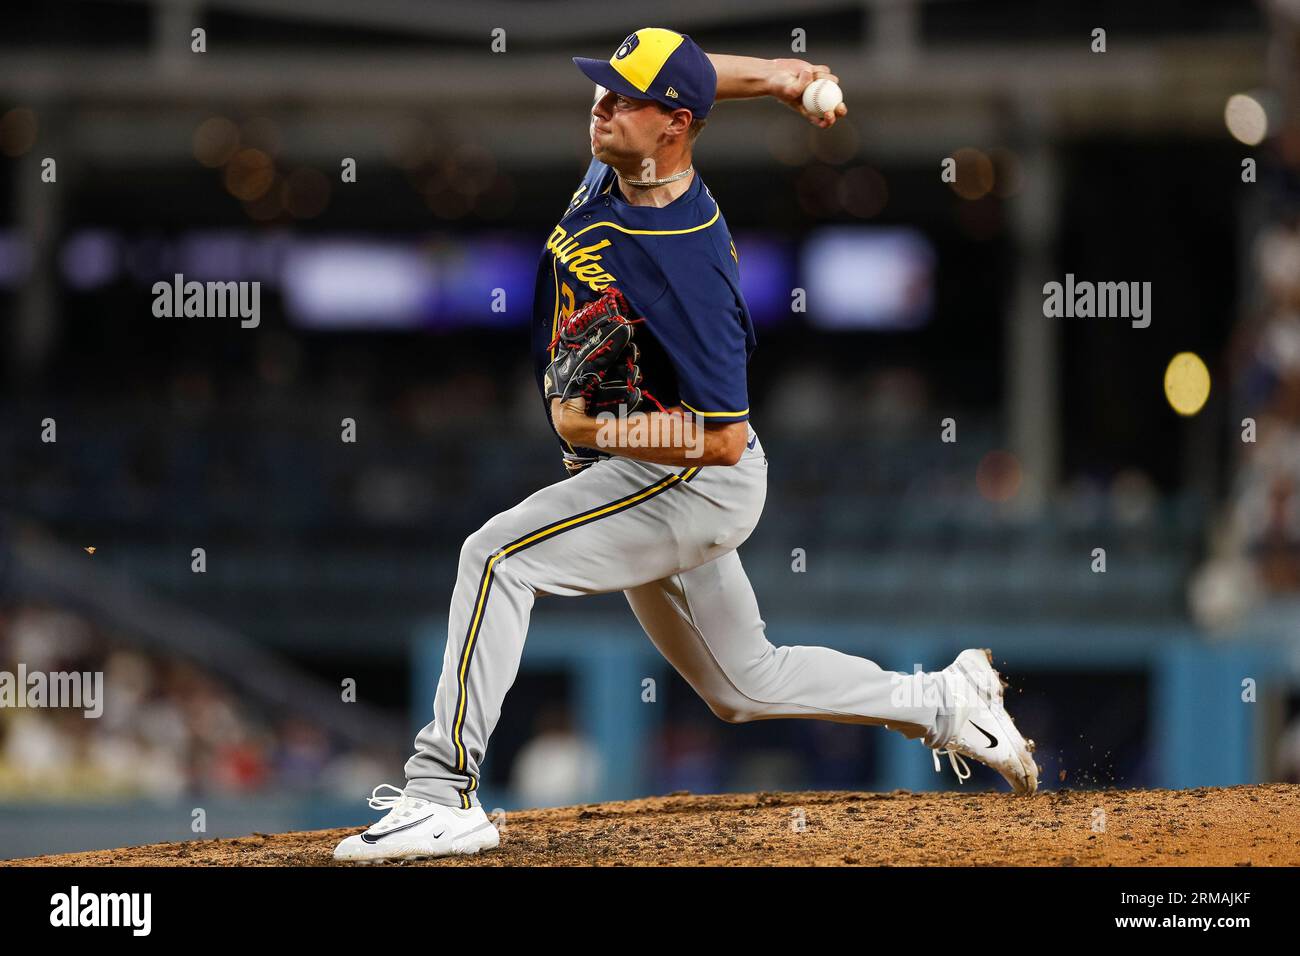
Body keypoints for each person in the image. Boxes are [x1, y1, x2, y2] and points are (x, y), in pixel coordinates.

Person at [334, 27, 1038, 864]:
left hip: (690, 478)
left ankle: (440, 793)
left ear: (673, 126)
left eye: (623, 99)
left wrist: (594, 429)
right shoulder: (621, 162)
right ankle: (948, 702)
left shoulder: (689, 269)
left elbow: (725, 439)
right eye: (604, 89)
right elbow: (694, 78)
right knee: (744, 682)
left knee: (496, 558)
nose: (600, 106)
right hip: (649, 471)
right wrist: (775, 77)